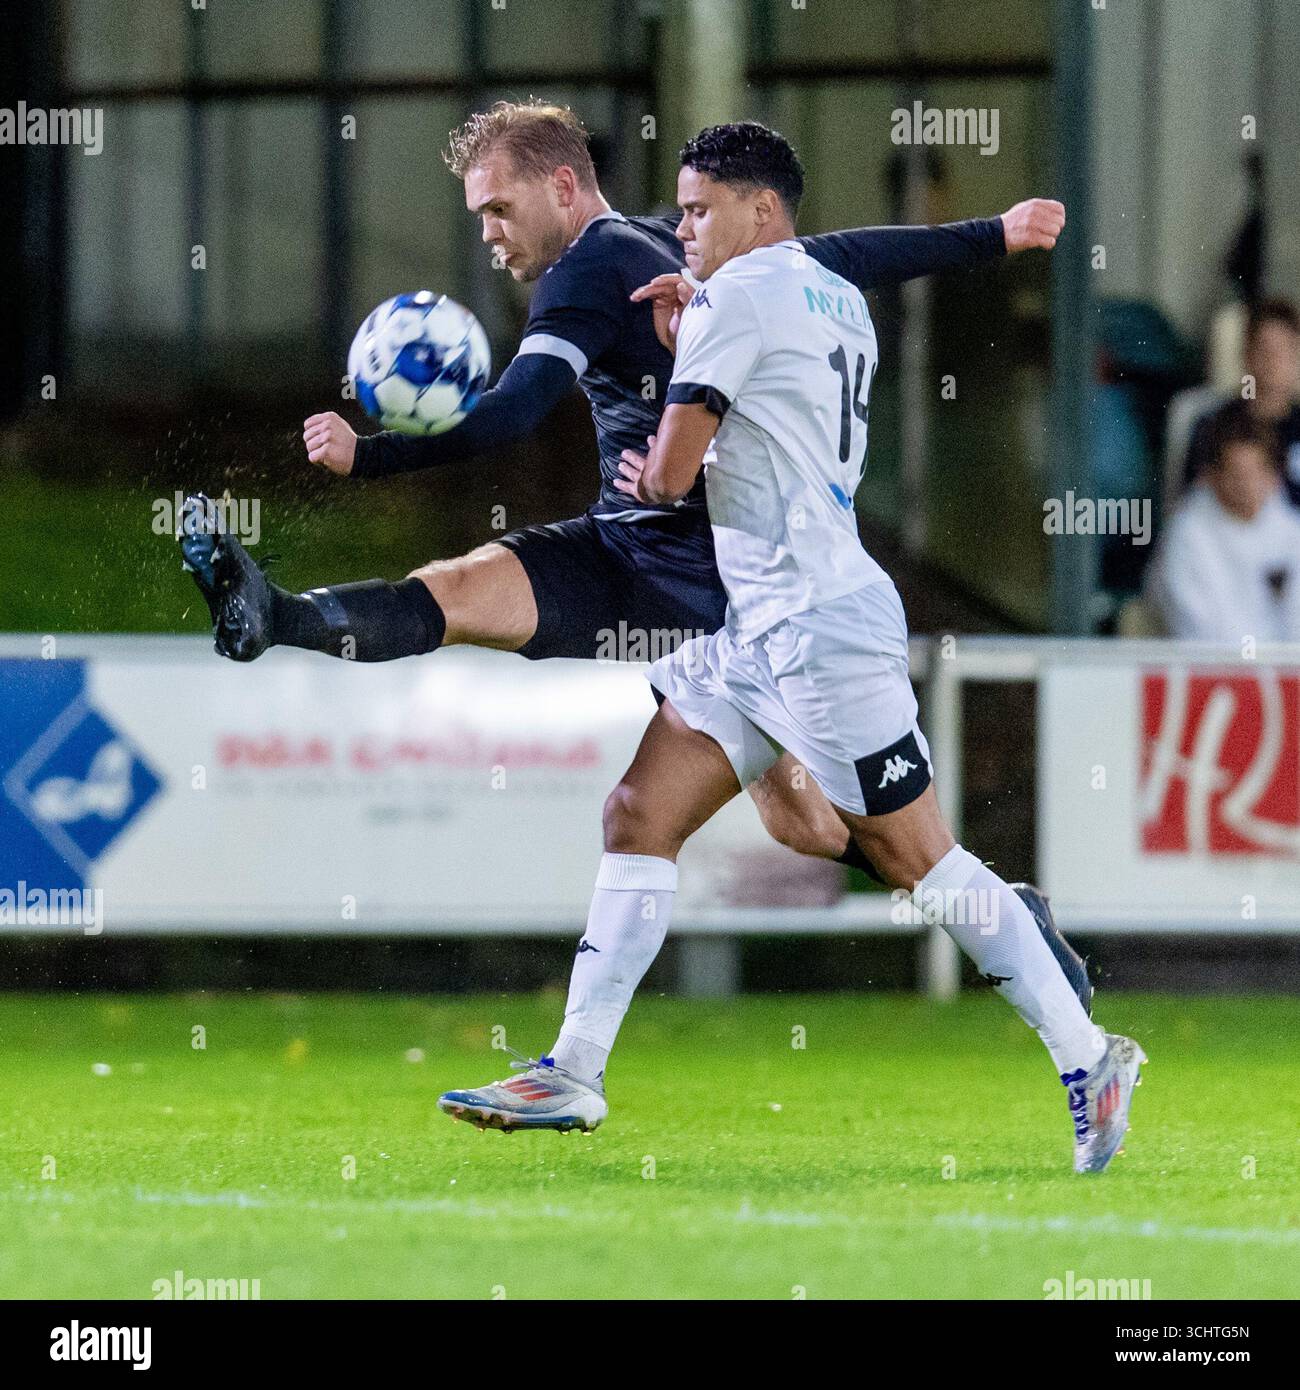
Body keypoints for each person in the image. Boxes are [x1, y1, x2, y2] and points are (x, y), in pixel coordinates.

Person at [436, 123, 1143, 1175]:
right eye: (676, 209)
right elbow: (774, 402)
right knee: (639, 809)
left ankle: (1090, 1056)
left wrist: (659, 437)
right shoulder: (826, 290)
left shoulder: (738, 293)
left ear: (760, 211)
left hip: (816, 629)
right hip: (759, 624)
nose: (679, 229)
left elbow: (670, 474)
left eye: (698, 208)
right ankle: (573, 1069)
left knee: (920, 861)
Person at [180, 98, 1067, 876]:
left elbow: (512, 414)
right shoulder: (652, 238)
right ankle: (273, 616)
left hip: (704, 579)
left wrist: (368, 457)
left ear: (564, 186)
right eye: (480, 214)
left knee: (807, 822)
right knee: (457, 595)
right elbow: (843, 254)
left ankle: (981, 909)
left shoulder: (587, 274)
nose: (488, 231)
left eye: (499, 207)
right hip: (626, 541)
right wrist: (994, 233)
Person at [1149, 412, 1300, 640]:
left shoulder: (1291, 529)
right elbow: (1197, 630)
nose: (1247, 485)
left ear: (1274, 476)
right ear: (1212, 476)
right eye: (1237, 474)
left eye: (1256, 473)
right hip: (1211, 670)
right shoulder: (1186, 534)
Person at [1183, 298, 1300, 507]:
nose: (1274, 362)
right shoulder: (1213, 427)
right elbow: (1195, 504)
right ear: (1247, 355)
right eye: (1266, 350)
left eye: (1284, 350)